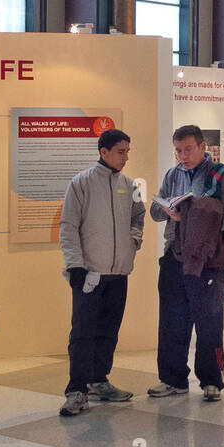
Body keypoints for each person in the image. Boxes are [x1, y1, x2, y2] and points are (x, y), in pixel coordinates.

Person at [57, 128, 144, 417]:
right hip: (89, 275)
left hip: (118, 274)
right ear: (103, 152)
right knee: (83, 332)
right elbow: (68, 226)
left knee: (109, 331)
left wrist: (134, 242)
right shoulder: (81, 183)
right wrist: (75, 265)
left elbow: (138, 216)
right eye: (121, 151)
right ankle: (76, 390)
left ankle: (99, 380)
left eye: (128, 151)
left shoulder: (129, 185)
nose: (125, 157)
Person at [148, 125, 224, 402]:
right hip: (174, 255)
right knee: (172, 321)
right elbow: (154, 211)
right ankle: (173, 379)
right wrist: (167, 209)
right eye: (178, 150)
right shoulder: (172, 174)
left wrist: (196, 215)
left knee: (209, 320)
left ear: (203, 147)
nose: (182, 156)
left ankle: (211, 380)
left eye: (188, 149)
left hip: (206, 260)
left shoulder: (220, 174)